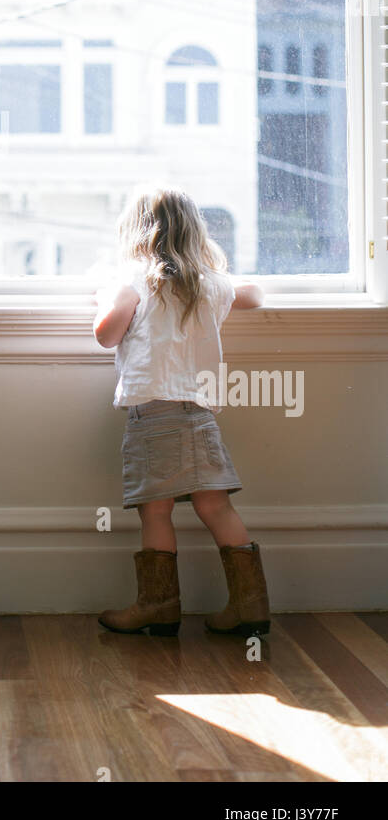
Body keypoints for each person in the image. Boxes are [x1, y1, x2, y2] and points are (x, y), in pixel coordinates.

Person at [93, 187, 270, 638]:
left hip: (154, 415)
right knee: (216, 504)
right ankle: (251, 605)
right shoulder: (209, 282)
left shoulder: (135, 279)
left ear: (137, 234)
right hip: (200, 415)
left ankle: (159, 605)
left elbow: (106, 335)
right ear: (195, 232)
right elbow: (253, 295)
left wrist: (107, 298)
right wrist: (217, 275)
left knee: (155, 511)